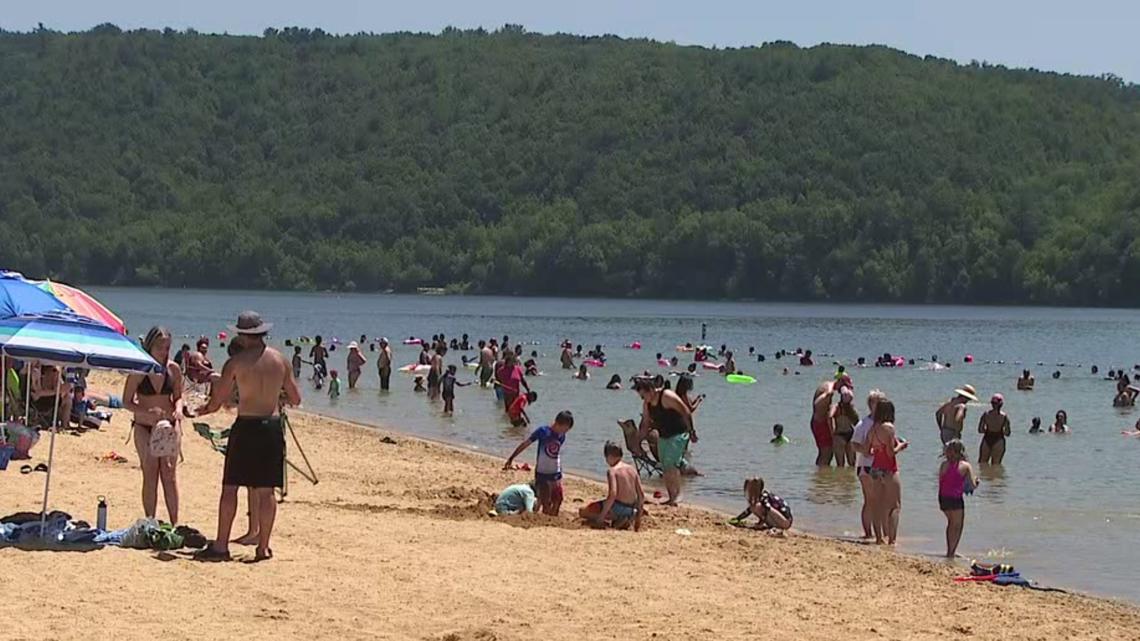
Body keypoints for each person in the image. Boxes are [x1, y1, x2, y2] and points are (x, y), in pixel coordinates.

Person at [193, 311, 301, 562]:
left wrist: (202, 410)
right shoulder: (280, 360)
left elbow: (218, 401)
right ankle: (263, 547)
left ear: (242, 335)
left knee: (230, 487)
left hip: (246, 425)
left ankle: (221, 545)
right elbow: (295, 398)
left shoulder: (236, 363)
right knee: (267, 491)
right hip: (271, 427)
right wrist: (277, 395)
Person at [122, 326, 183, 525]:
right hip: (144, 426)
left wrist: (179, 409)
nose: (164, 352)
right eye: (159, 348)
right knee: (150, 472)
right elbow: (126, 401)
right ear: (150, 347)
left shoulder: (173, 369)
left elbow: (179, 397)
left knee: (169, 473)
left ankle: (174, 523)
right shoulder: (139, 371)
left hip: (169, 425)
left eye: (167, 348)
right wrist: (146, 412)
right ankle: (150, 521)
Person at [635, 379, 697, 505]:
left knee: (671, 463)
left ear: (651, 390)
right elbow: (645, 424)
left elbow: (686, 412)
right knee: (665, 465)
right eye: (641, 396)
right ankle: (671, 496)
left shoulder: (667, 396)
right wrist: (638, 440)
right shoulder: (647, 404)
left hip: (679, 433)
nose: (643, 399)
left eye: (643, 395)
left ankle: (678, 495)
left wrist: (692, 432)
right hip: (663, 435)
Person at [503, 410, 575, 516]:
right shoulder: (543, 431)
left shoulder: (562, 436)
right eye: (566, 428)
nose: (566, 432)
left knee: (558, 499)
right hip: (542, 473)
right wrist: (511, 457)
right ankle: (543, 518)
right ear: (560, 424)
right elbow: (526, 443)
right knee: (546, 501)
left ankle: (552, 518)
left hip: (555, 472)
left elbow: (555, 455)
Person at [578, 441, 645, 530]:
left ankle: (617, 518)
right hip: (631, 509)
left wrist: (601, 517)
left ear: (608, 456)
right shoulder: (632, 469)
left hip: (617, 507)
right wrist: (638, 517)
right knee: (609, 507)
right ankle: (625, 519)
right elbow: (641, 495)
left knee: (583, 512)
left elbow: (613, 494)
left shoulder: (612, 471)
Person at [868, 399, 908, 545]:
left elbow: (868, 450)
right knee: (895, 506)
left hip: (875, 468)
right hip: (889, 469)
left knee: (877, 505)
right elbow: (891, 453)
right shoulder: (889, 428)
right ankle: (892, 539)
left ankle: (878, 538)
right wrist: (901, 446)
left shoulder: (873, 429)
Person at [850, 389, 886, 539]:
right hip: (866, 465)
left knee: (881, 500)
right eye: (877, 403)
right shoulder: (863, 424)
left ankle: (881, 533)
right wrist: (865, 451)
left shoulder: (884, 424)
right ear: (871, 405)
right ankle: (868, 533)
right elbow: (854, 444)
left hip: (881, 466)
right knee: (870, 500)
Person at [939, 439, 979, 558]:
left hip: (943, 498)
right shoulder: (966, 466)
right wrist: (977, 482)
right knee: (958, 525)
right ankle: (952, 552)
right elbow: (972, 485)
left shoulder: (944, 464)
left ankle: (949, 551)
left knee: (951, 523)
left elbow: (943, 480)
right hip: (955, 499)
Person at [978, 393, 1011, 464]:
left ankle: (983, 475)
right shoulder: (1004, 416)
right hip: (999, 439)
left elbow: (980, 430)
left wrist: (988, 430)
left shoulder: (986, 414)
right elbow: (1007, 433)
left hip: (987, 438)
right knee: (996, 464)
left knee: (982, 463)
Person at [830, 386, 858, 467]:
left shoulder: (837, 407)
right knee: (851, 464)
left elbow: (830, 416)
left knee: (841, 465)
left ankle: (842, 479)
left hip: (841, 435)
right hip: (847, 434)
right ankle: (849, 479)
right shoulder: (849, 408)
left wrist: (832, 429)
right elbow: (857, 422)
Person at [810, 381, 835, 466]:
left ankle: (820, 474)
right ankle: (820, 475)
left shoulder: (825, 386)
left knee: (825, 453)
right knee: (826, 453)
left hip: (817, 422)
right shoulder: (829, 389)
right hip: (820, 423)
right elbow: (818, 402)